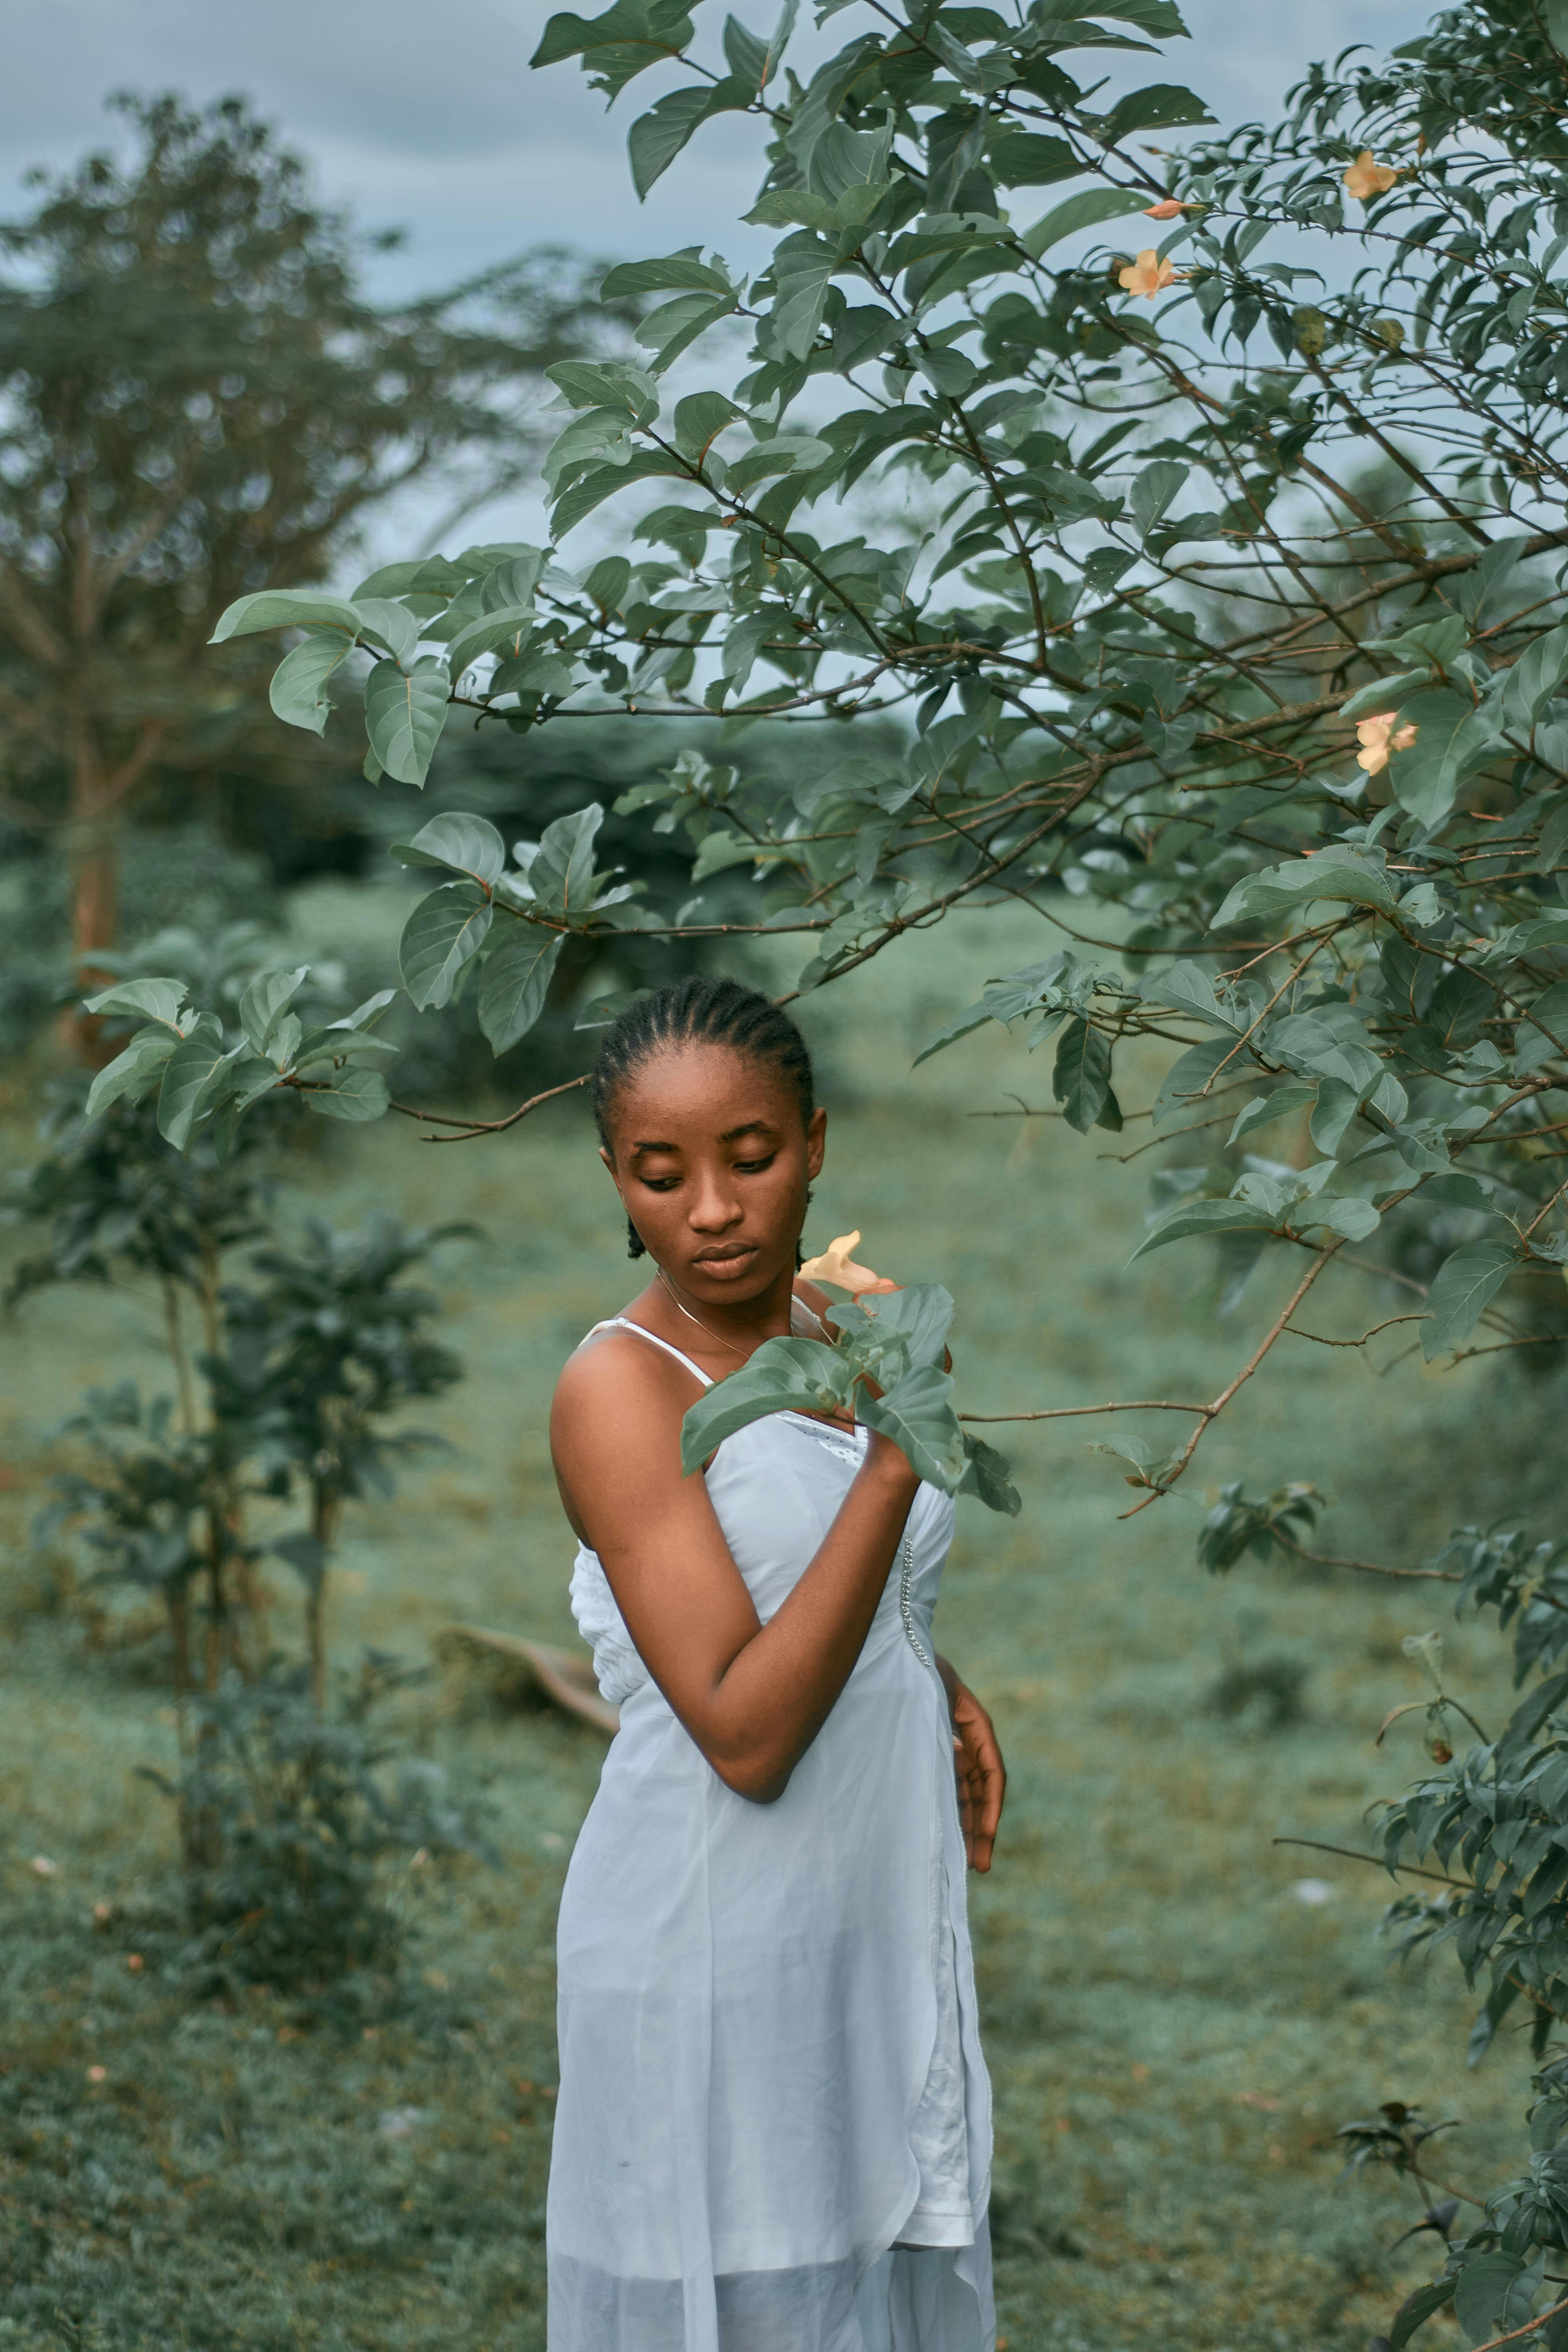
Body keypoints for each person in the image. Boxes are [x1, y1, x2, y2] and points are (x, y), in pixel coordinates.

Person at [547, 975, 1005, 2352]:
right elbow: (745, 1739)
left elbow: (790, 1573)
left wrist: (934, 1677)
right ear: (615, 1179)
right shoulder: (618, 1388)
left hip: (855, 1921)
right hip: (709, 1946)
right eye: (660, 1171)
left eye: (750, 1159)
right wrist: (894, 1451)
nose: (712, 1209)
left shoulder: (825, 1329)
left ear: (813, 1142)